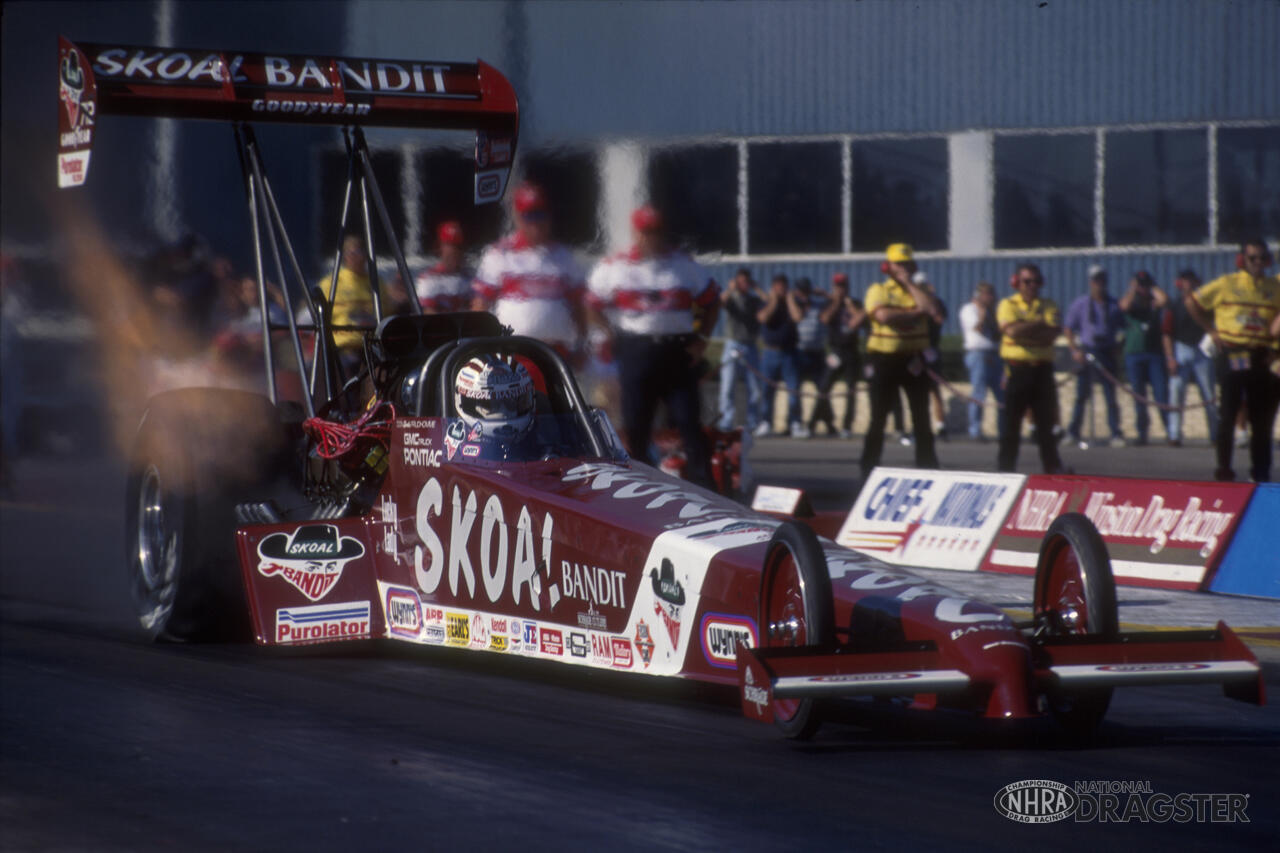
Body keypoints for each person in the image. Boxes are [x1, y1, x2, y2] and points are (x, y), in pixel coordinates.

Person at [587, 205, 719, 485]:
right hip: (637, 352)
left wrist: (702, 339)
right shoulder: (617, 266)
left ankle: (706, 488)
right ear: (636, 233)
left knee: (688, 424)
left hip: (675, 354)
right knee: (636, 426)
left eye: (656, 232)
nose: (652, 238)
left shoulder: (683, 265)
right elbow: (592, 303)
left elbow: (712, 301)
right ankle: (640, 487)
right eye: (646, 232)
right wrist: (610, 333)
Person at [1187, 238, 1280, 482]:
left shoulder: (1275, 287)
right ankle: (1224, 468)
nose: (1258, 263)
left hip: (1262, 354)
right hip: (1233, 352)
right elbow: (1192, 303)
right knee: (1228, 413)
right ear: (1242, 260)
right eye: (1252, 258)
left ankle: (1260, 472)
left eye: (1262, 257)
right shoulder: (1226, 284)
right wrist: (1211, 331)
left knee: (1263, 420)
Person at [472, 183, 587, 360]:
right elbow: (481, 306)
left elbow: (579, 306)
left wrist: (582, 344)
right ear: (518, 217)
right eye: (530, 216)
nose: (536, 223)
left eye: (540, 214)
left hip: (556, 351)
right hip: (512, 349)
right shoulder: (500, 254)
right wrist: (480, 348)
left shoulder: (564, 257)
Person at [859, 243, 940, 479]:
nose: (902, 268)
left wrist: (910, 285)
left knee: (921, 417)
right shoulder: (879, 290)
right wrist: (915, 314)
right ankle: (868, 467)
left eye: (906, 263)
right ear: (888, 266)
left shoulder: (919, 290)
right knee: (879, 417)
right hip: (884, 359)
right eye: (897, 264)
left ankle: (928, 467)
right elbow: (883, 316)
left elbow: (931, 309)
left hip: (913, 359)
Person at [996, 263, 1066, 474]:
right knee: (1011, 425)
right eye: (1026, 281)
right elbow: (1012, 332)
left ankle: (1052, 467)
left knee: (1046, 424)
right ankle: (1006, 469)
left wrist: (1025, 328)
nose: (1032, 286)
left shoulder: (1049, 304)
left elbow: (1052, 334)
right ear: (1017, 282)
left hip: (1042, 371)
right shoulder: (1008, 304)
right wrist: (1038, 323)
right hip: (1018, 371)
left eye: (1035, 281)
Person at [1062, 264, 1125, 447]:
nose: (1100, 284)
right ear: (1091, 283)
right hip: (1087, 350)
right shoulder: (1081, 304)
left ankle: (1115, 433)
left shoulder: (1113, 305)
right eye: (1096, 280)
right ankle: (1073, 432)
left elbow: (1124, 328)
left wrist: (1118, 347)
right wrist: (1074, 350)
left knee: (1110, 395)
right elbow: (1068, 328)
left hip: (1106, 350)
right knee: (1081, 395)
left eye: (1102, 280)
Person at [1162, 269, 1218, 446]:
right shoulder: (1175, 305)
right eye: (1185, 281)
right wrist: (1170, 357)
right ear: (1179, 283)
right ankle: (1174, 434)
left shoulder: (1206, 305)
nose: (1188, 284)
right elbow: (1167, 333)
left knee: (1209, 393)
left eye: (1191, 281)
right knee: (1176, 392)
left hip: (1202, 349)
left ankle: (1216, 435)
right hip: (1182, 348)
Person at [808, 272, 866, 438]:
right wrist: (835, 302)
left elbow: (859, 320)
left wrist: (848, 304)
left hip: (851, 351)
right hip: (835, 351)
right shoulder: (829, 303)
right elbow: (825, 319)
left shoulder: (854, 302)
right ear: (834, 287)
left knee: (851, 390)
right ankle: (812, 423)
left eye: (843, 286)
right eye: (838, 286)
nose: (841, 289)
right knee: (824, 388)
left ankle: (847, 426)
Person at [1118, 270, 1171, 445]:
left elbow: (1164, 299)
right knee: (1139, 396)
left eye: (1145, 285)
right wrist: (1133, 288)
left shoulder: (1153, 304)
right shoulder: (1132, 303)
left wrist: (1152, 287)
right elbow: (1124, 306)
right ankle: (1142, 433)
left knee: (1161, 394)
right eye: (1141, 284)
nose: (1143, 288)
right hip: (1134, 353)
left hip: (1154, 354)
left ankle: (1171, 432)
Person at [716, 267, 766, 436]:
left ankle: (753, 422)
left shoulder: (753, 300)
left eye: (746, 282)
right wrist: (730, 288)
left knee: (755, 388)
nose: (743, 285)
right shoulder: (732, 298)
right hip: (733, 343)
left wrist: (756, 288)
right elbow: (720, 302)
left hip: (750, 344)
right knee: (727, 384)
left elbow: (767, 302)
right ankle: (726, 421)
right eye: (741, 282)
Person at [316, 233, 378, 371]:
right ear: (344, 256)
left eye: (359, 251)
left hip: (372, 347)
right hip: (342, 348)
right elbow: (314, 316)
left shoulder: (377, 283)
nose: (355, 256)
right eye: (351, 252)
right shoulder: (331, 284)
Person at [756, 274, 803, 437]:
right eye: (777, 286)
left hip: (789, 353)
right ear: (773, 287)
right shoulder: (765, 303)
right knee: (767, 391)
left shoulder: (793, 303)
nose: (780, 289)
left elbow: (798, 317)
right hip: (770, 352)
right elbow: (762, 318)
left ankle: (795, 423)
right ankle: (766, 422)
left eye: (783, 286)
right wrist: (773, 301)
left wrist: (789, 300)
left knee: (793, 389)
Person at [958, 281, 1004, 441]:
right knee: (979, 393)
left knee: (1002, 393)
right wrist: (984, 310)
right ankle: (975, 430)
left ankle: (1004, 431)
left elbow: (998, 335)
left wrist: (992, 312)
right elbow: (979, 328)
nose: (992, 297)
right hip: (978, 354)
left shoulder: (994, 312)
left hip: (995, 354)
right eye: (988, 294)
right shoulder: (969, 310)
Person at [791, 277, 827, 439]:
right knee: (796, 389)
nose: (804, 294)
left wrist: (823, 293)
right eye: (801, 290)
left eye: (806, 290)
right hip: (799, 351)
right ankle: (796, 422)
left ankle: (824, 421)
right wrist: (792, 297)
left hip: (817, 352)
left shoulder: (817, 304)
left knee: (822, 388)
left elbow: (835, 301)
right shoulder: (794, 304)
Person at [916, 273, 949, 439]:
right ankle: (919, 426)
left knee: (935, 388)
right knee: (915, 390)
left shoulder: (936, 302)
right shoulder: (912, 300)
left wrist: (931, 298)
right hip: (915, 349)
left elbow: (939, 319)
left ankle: (940, 425)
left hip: (931, 349)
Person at [414, 220, 472, 314]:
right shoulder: (428, 279)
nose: (453, 251)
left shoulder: (469, 279)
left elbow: (476, 310)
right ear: (439, 247)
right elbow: (428, 314)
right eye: (449, 245)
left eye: (457, 246)